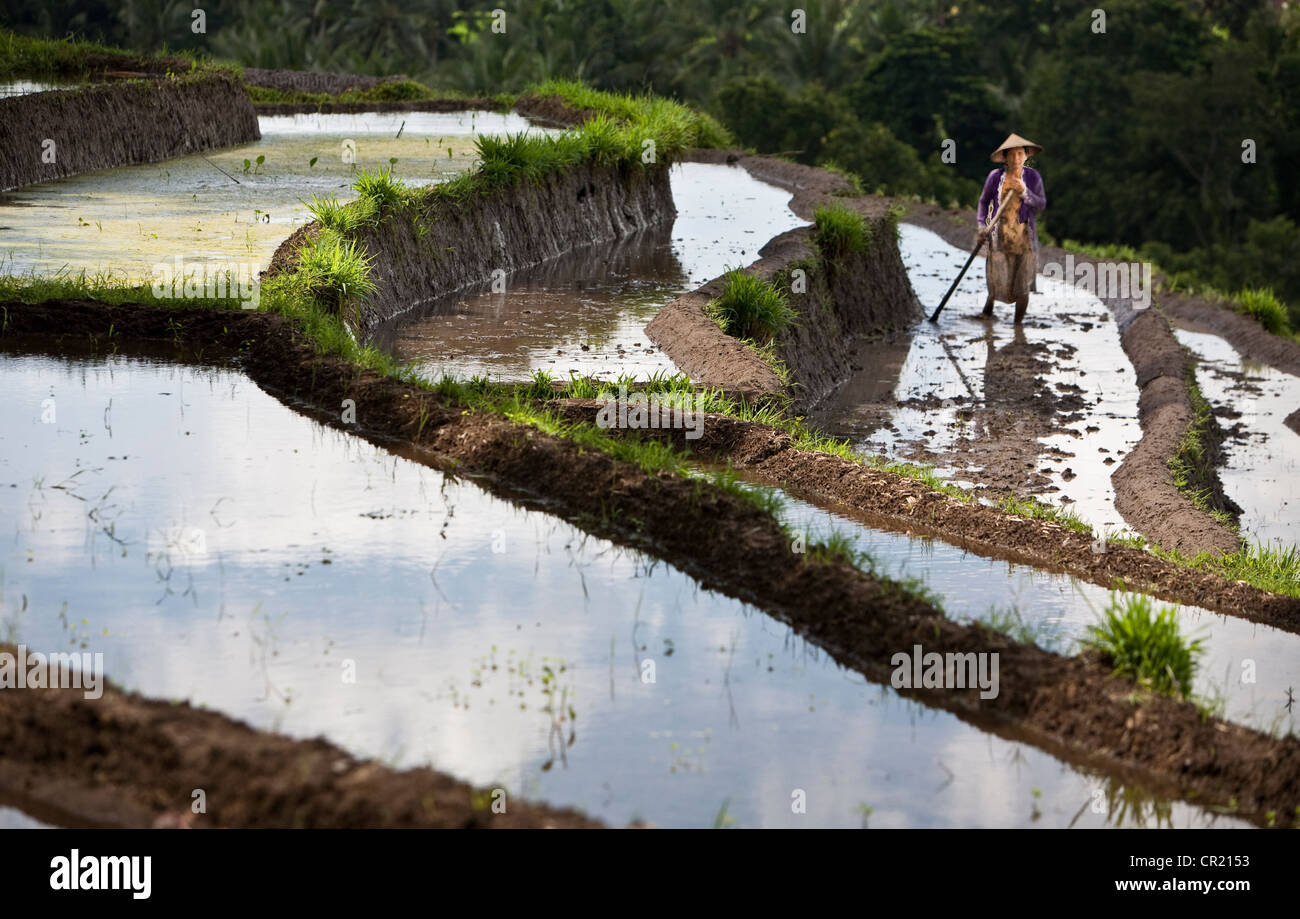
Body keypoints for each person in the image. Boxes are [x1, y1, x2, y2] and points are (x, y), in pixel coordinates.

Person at [975, 133, 1046, 324]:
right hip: (1000, 235)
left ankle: (1018, 326)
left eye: (1020, 154)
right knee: (996, 278)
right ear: (1005, 157)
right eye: (1012, 155)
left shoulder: (1033, 178)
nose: (1016, 159)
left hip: (1024, 238)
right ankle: (987, 313)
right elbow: (984, 202)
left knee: (1022, 285)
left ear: (1026, 156)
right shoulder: (995, 177)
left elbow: (1040, 204)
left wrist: (1025, 192)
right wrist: (982, 225)